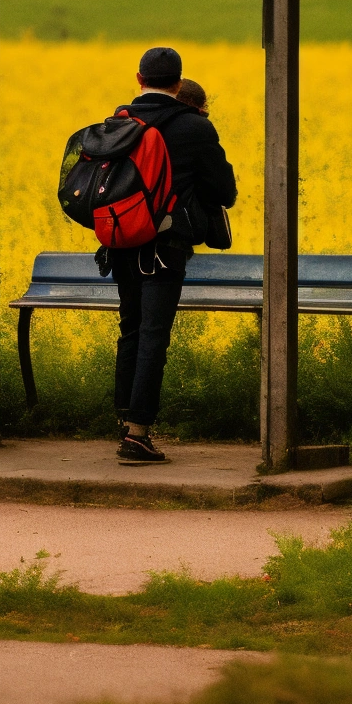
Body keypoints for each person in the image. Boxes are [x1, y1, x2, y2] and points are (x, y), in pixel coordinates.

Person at [114, 45, 237, 465]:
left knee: (130, 331)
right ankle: (138, 435)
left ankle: (124, 422)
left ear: (139, 79)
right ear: (179, 83)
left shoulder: (119, 121)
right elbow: (225, 192)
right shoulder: (193, 127)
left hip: (120, 243)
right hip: (165, 246)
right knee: (152, 335)